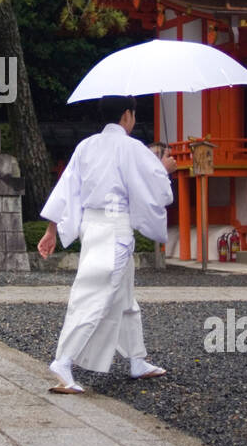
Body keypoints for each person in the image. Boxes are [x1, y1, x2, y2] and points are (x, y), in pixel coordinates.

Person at [36, 95, 177, 394]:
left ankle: (137, 359)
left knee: (124, 297)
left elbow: (66, 190)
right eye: (133, 115)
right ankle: (64, 360)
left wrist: (51, 229)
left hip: (93, 225)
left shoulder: (86, 146)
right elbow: (154, 187)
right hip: (114, 228)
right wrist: (164, 169)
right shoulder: (131, 147)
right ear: (127, 115)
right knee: (95, 294)